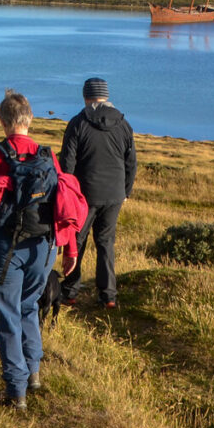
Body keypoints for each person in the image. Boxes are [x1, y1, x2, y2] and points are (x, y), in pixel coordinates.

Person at [0, 90, 86, 410]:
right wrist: (70, 248)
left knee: (7, 311)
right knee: (28, 305)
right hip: (44, 246)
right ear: (30, 119)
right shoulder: (47, 156)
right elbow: (65, 204)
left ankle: (16, 388)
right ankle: (33, 371)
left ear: (3, 121)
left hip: (5, 245)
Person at [58, 77, 136, 308]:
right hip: (114, 194)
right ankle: (108, 296)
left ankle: (70, 292)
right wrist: (125, 191)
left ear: (85, 96)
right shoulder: (123, 124)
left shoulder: (78, 123)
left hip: (84, 195)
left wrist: (67, 194)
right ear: (106, 96)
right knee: (105, 243)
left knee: (77, 241)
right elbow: (131, 162)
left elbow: (67, 164)